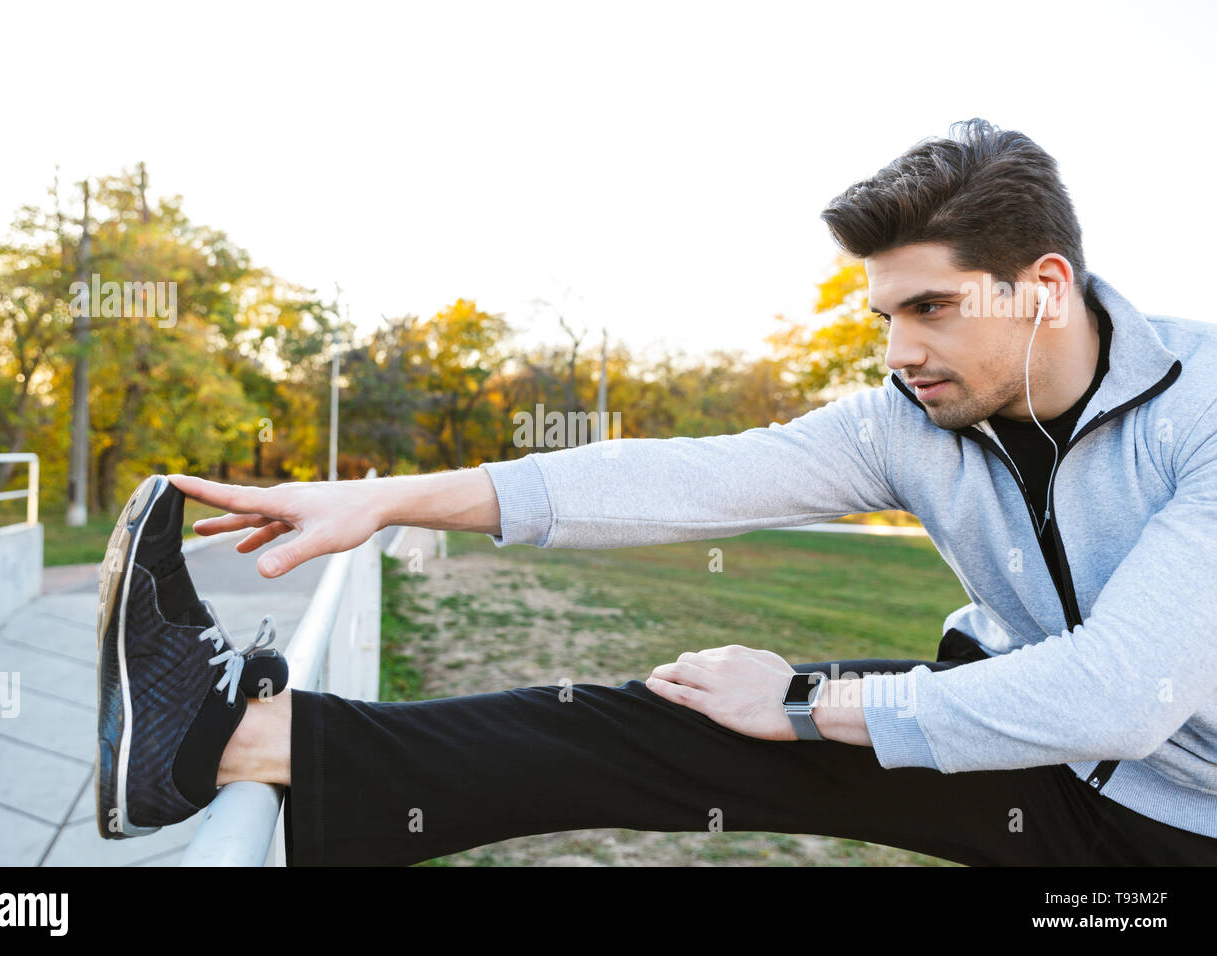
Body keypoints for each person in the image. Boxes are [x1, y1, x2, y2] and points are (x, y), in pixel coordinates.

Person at [98, 118, 1217, 865]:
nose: (897, 349)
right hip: (1039, 742)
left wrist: (798, 702)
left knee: (757, 714)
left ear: (1045, 286)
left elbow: (1123, 691)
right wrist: (386, 496)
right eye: (885, 316)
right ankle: (227, 740)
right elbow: (684, 476)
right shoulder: (909, 417)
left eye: (930, 307)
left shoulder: (1202, 408)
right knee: (654, 722)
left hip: (1179, 818)